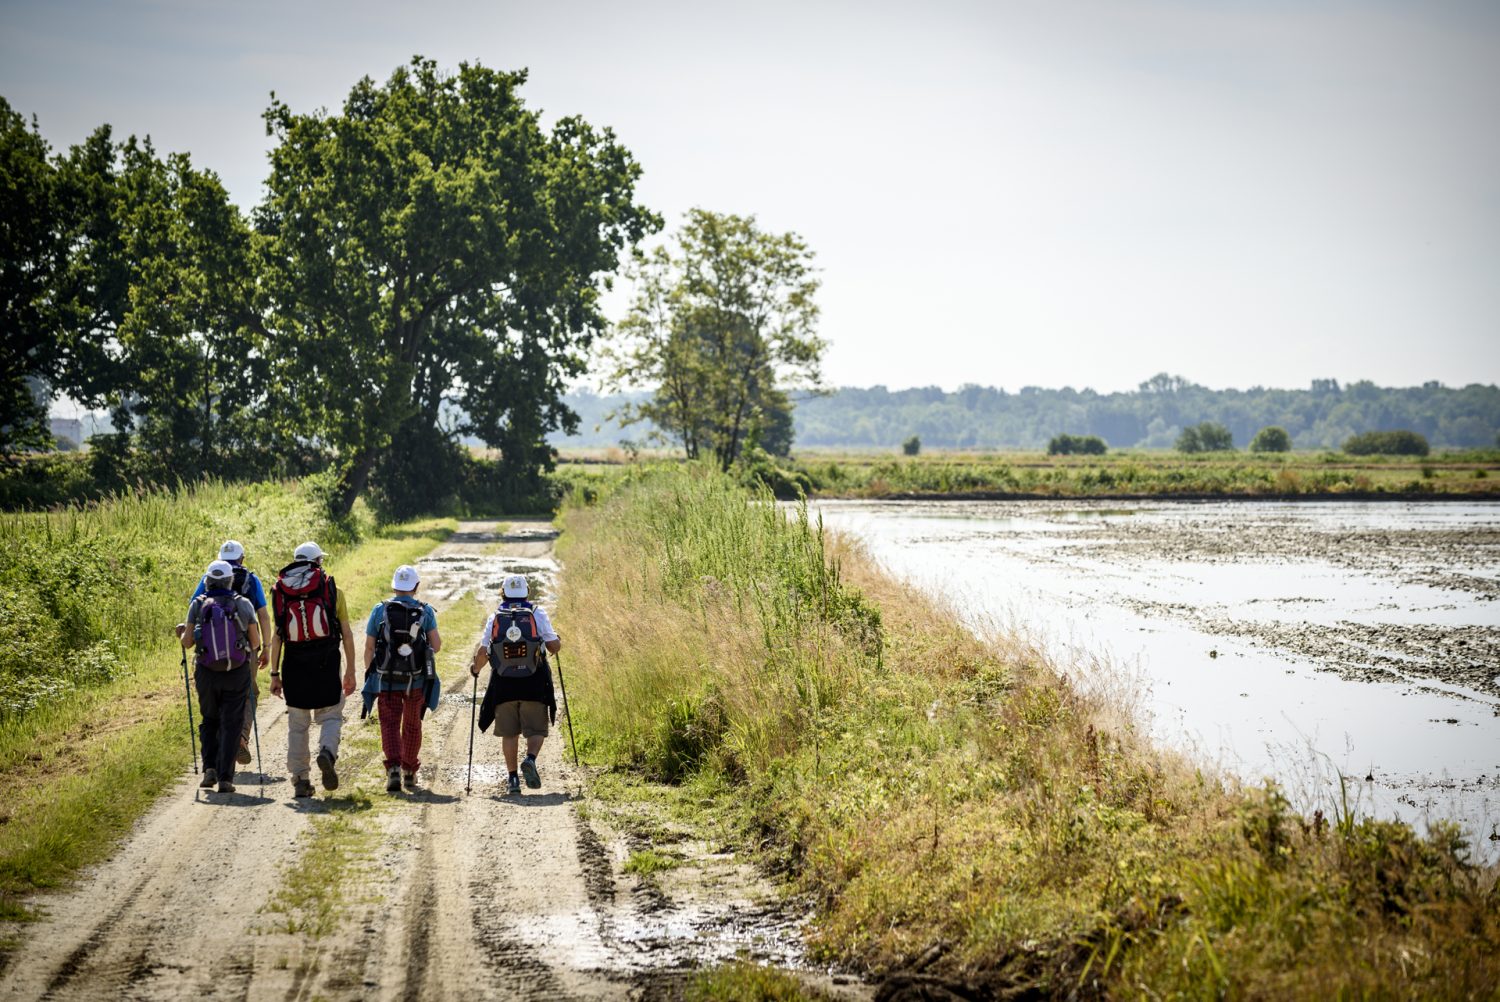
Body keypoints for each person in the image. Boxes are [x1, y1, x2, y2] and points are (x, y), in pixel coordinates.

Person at [268, 541, 356, 799]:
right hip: (326, 663)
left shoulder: (279, 591)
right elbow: (348, 634)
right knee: (330, 715)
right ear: (317, 562)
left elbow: (277, 636)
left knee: (297, 725)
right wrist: (350, 670)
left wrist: (274, 674)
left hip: (294, 665)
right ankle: (327, 752)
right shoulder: (332, 588)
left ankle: (300, 780)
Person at [176, 560, 261, 794]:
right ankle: (225, 778)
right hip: (236, 672)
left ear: (207, 581)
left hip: (206, 672)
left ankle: (209, 769)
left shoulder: (198, 604)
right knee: (231, 724)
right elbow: (255, 643)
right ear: (230, 580)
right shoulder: (242, 604)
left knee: (209, 719)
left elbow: (188, 642)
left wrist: (182, 632)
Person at [472, 574, 561, 796]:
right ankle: (530, 759)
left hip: (504, 684)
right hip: (534, 681)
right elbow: (553, 647)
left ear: (503, 593)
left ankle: (512, 779)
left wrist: (475, 669)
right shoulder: (536, 612)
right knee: (537, 729)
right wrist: (557, 639)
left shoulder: (495, 616)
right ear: (526, 593)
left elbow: (484, 651)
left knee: (509, 733)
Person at [362, 565, 442, 793]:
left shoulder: (380, 610)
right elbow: (436, 645)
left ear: (394, 586)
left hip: (386, 680)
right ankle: (409, 772)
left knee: (388, 722)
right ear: (416, 587)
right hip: (415, 681)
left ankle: (394, 769)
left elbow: (369, 647)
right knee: (412, 724)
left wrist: (372, 673)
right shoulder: (425, 611)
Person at [191, 540, 271, 766]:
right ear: (242, 558)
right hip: (243, 649)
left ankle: (217, 752)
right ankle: (241, 738)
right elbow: (263, 615)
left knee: (215, 699)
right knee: (249, 692)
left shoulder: (208, 579)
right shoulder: (251, 579)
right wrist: (266, 647)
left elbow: (194, 607)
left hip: (208, 651)